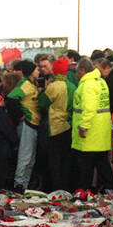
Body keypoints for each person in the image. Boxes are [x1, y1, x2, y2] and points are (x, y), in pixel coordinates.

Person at [71, 57, 113, 191]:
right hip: (100, 132)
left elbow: (89, 109)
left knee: (86, 168)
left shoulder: (87, 85)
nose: (76, 75)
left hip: (89, 134)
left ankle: (83, 193)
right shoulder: (101, 82)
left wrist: (83, 126)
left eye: (77, 72)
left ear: (83, 71)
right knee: (103, 165)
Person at [5, 60, 40, 193]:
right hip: (27, 124)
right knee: (25, 156)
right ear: (30, 72)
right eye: (36, 69)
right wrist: (20, 115)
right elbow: (10, 99)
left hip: (33, 124)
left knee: (30, 158)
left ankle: (24, 185)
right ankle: (18, 185)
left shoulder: (32, 84)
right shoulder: (25, 84)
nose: (38, 71)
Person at [43, 56, 73, 191]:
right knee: (66, 161)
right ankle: (66, 189)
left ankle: (55, 190)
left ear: (55, 71)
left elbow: (41, 103)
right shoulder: (72, 86)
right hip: (68, 126)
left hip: (54, 128)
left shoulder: (52, 86)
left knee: (54, 162)